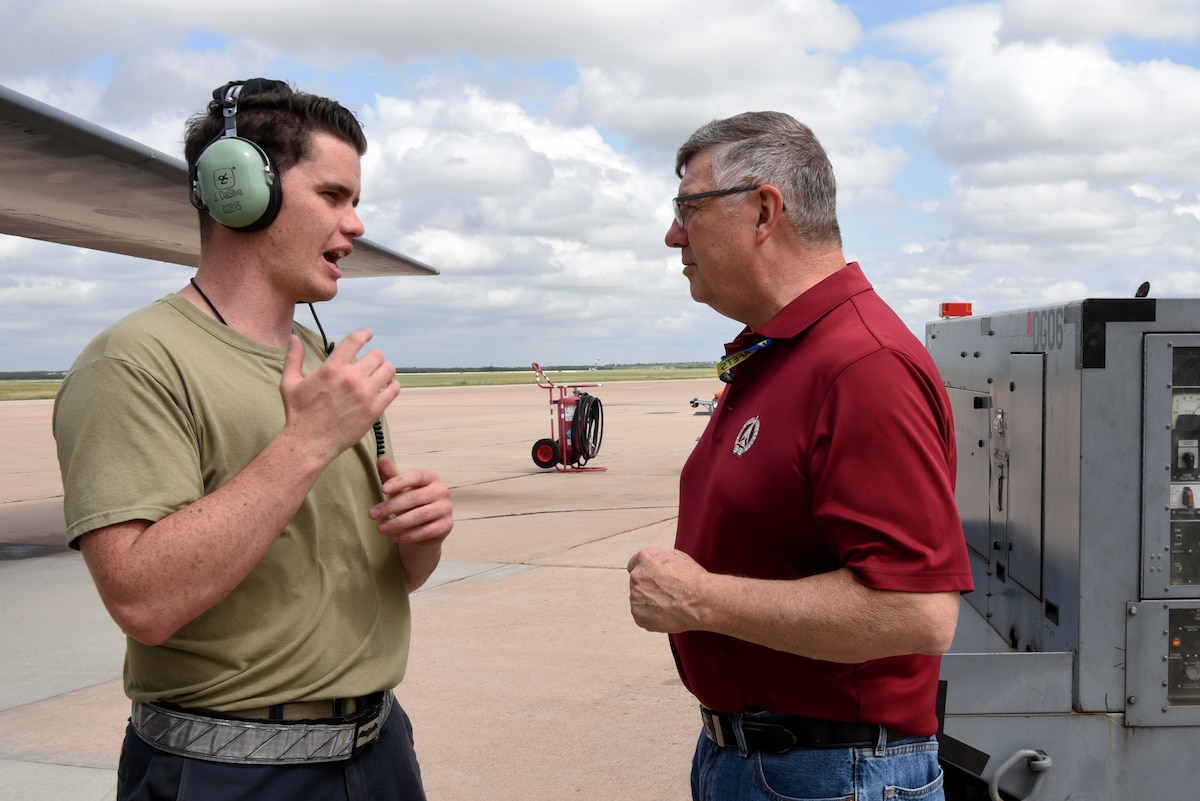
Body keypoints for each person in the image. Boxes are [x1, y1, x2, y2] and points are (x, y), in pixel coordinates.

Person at [52, 79, 453, 800]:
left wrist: (417, 539)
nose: (356, 225)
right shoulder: (136, 360)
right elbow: (143, 599)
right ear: (239, 192)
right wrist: (305, 444)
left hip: (379, 751)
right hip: (228, 771)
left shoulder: (324, 363)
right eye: (334, 196)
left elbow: (363, 576)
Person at [627, 111, 973, 801]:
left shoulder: (861, 364)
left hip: (833, 774)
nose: (673, 236)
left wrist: (700, 598)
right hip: (771, 762)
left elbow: (916, 613)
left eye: (686, 208)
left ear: (762, 210)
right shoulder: (786, 352)